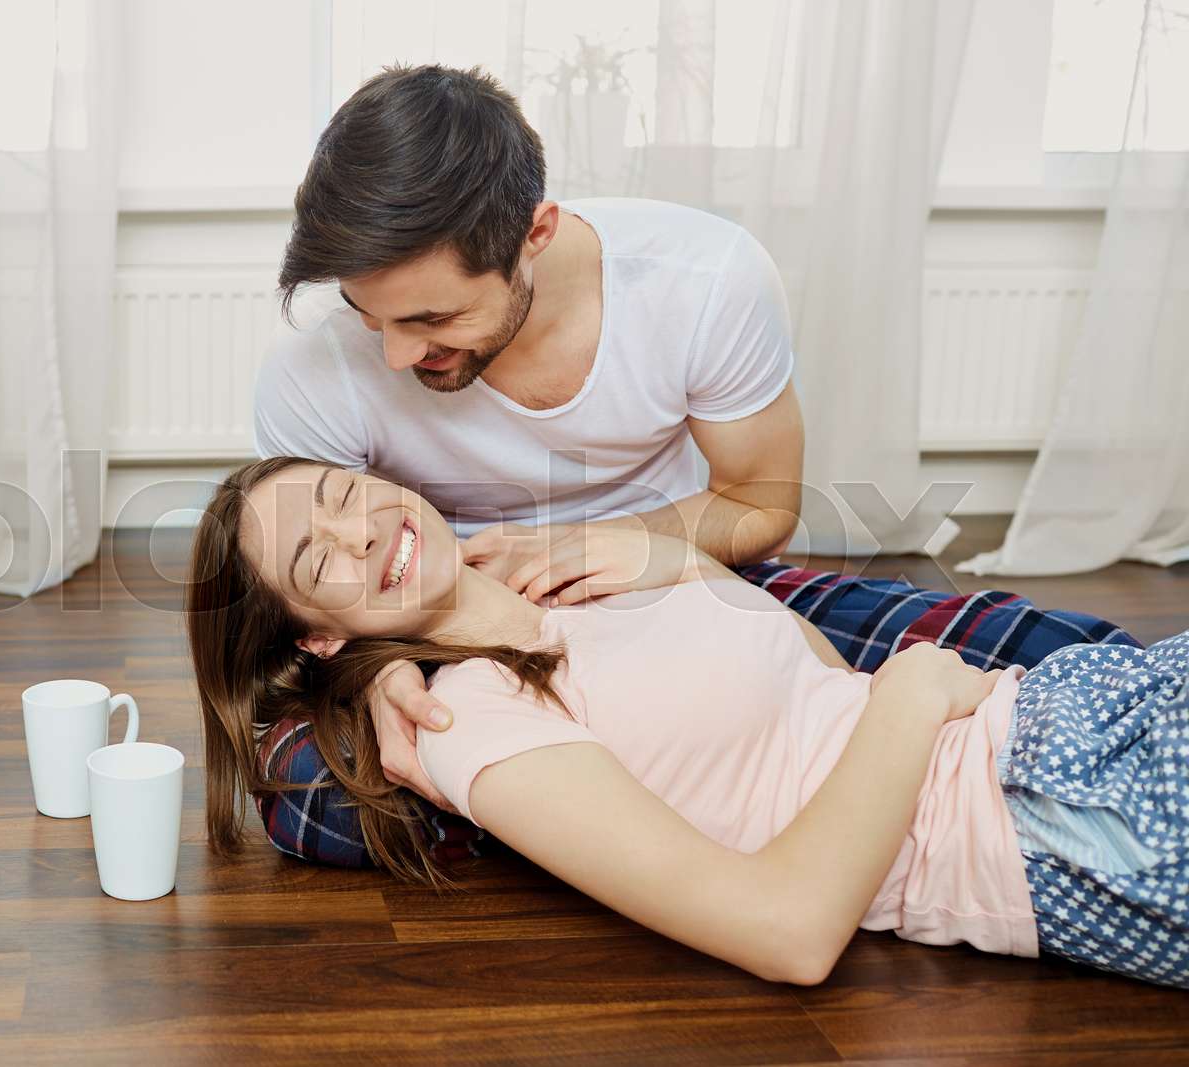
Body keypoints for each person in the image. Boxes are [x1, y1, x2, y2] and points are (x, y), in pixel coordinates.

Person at [186, 457, 1189, 989]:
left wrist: (680, 565)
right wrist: (915, 693)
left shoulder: (573, 569)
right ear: (317, 639)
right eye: (321, 561)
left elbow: (817, 691)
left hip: (1069, 708)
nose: (362, 530)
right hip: (1047, 817)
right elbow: (786, 933)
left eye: (344, 495)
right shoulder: (459, 716)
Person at [255, 63, 805, 812]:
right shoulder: (309, 373)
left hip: (675, 578)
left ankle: (595, 806)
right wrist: (374, 667)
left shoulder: (706, 280)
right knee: (304, 791)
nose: (396, 356)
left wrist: (579, 547)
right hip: (447, 633)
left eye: (434, 319)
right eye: (368, 314)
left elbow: (762, 504)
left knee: (995, 647)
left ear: (535, 234)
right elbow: (321, 586)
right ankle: (678, 790)